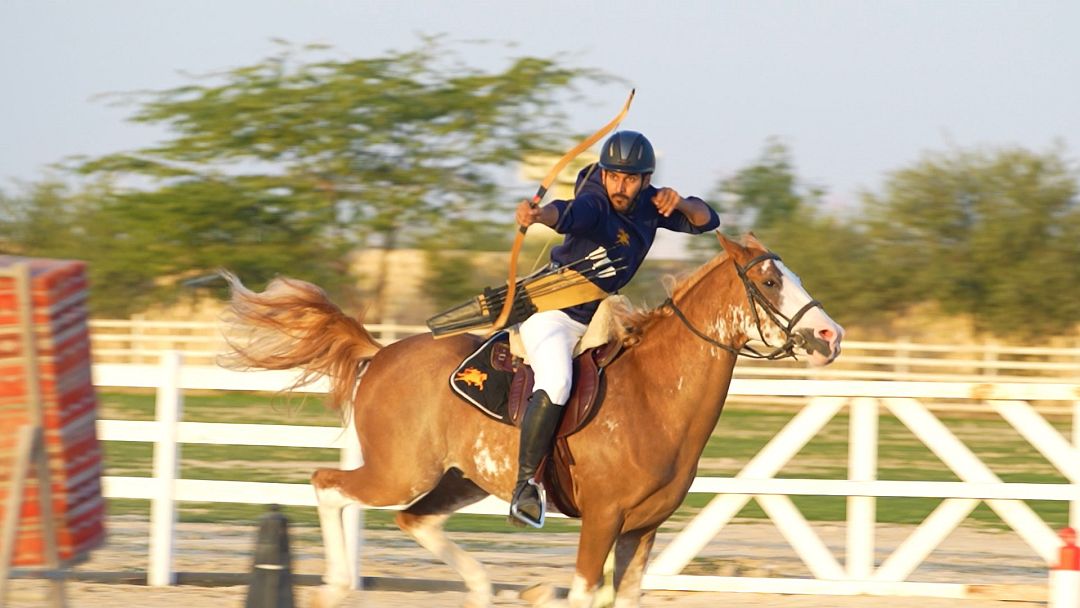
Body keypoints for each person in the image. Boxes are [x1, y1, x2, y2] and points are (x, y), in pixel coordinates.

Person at [509, 130, 721, 527]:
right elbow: (569, 214)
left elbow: (709, 220)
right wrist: (540, 215)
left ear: (644, 181)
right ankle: (526, 486)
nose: (620, 187)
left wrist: (683, 202)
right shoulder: (594, 199)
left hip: (600, 318)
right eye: (614, 176)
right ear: (603, 173)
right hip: (552, 313)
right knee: (555, 381)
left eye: (630, 179)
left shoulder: (650, 205)